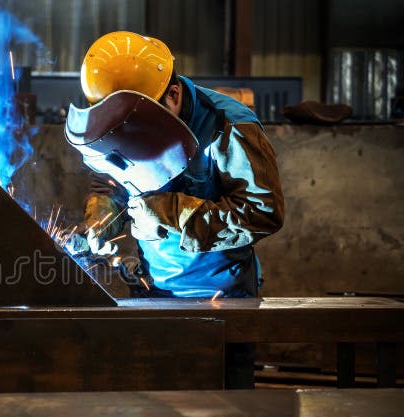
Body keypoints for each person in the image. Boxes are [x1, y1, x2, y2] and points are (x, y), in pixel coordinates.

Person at [65, 31, 284, 298]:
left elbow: (262, 213)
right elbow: (111, 185)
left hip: (223, 295)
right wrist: (100, 219)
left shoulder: (230, 126)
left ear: (174, 94)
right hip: (151, 288)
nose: (136, 134)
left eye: (144, 122)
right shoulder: (120, 124)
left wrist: (172, 212)